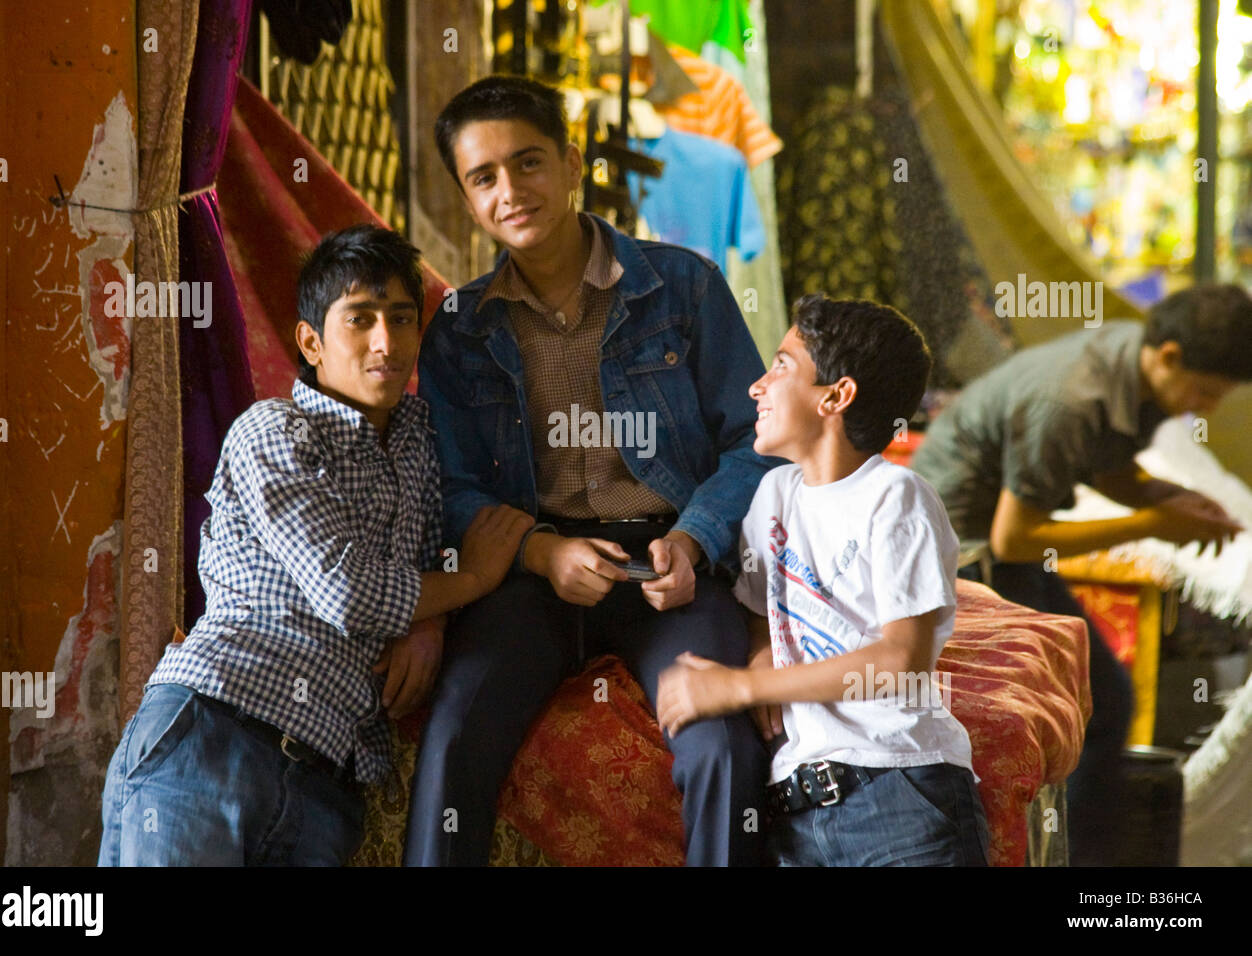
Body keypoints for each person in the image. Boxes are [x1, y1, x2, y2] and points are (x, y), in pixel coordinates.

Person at [407, 75, 775, 866]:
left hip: (668, 570)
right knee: (451, 739)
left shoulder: (683, 290)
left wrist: (697, 538)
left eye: (529, 163)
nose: (511, 191)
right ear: (468, 197)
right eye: (484, 177)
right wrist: (541, 552)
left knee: (721, 748)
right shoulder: (459, 330)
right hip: (534, 575)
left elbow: (759, 442)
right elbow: (453, 483)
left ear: (574, 165)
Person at [98, 225, 532, 866]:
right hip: (215, 734)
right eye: (360, 320)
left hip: (325, 789)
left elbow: (435, 547)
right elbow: (348, 591)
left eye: (403, 319)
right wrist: (467, 582)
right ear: (311, 341)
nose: (386, 342)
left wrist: (433, 620)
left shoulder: (421, 445)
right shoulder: (275, 431)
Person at [911, 283, 1252, 866]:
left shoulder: (1135, 367)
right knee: (1095, 703)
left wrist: (1177, 498)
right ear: (1168, 355)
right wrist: (1151, 524)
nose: (1205, 409)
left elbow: (1110, 470)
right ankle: (1077, 866)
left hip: (1002, 547)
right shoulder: (1071, 396)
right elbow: (1014, 536)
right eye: (1203, 392)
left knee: (1104, 696)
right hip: (954, 555)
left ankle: (1080, 854)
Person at [657, 294, 987, 866]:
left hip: (898, 791)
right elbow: (763, 609)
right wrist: (761, 655)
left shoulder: (895, 497)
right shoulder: (774, 496)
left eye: (781, 365)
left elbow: (900, 660)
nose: (757, 387)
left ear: (836, 395)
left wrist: (740, 687)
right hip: (799, 815)